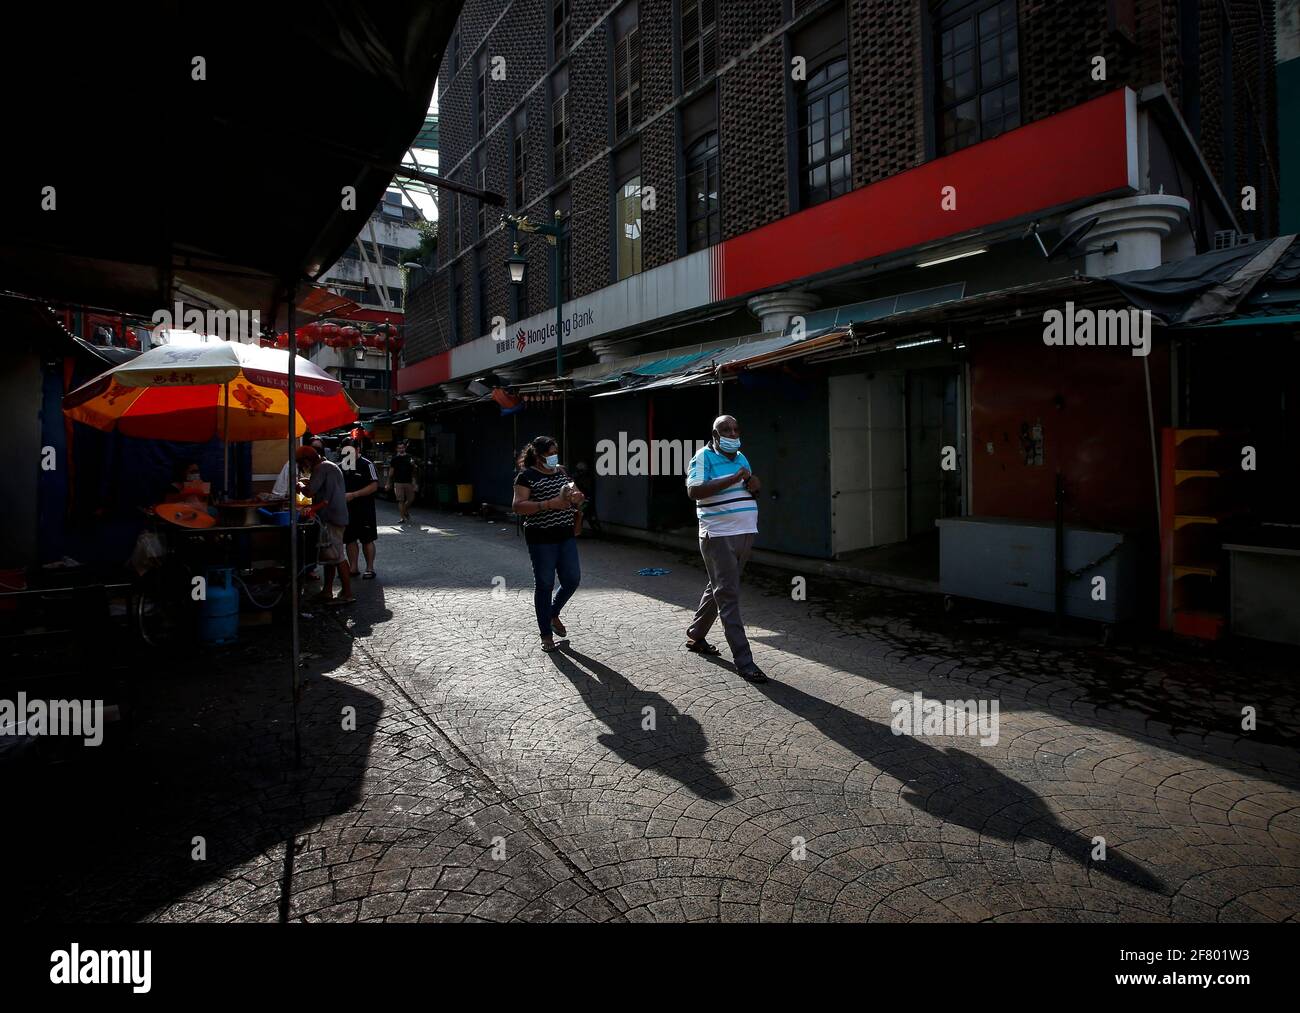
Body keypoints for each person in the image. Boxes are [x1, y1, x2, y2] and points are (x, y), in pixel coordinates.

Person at [684, 414, 766, 683]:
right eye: (725, 430)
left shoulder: (742, 457)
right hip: (718, 534)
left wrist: (755, 485)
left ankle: (696, 635)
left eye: (735, 429)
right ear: (715, 435)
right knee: (728, 594)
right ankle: (745, 661)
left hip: (744, 531)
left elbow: (750, 487)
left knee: (719, 585)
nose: (732, 434)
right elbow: (694, 491)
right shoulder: (702, 457)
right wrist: (733, 479)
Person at [512, 435, 585, 653]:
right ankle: (545, 634)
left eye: (555, 452)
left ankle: (552, 612)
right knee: (544, 584)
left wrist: (578, 496)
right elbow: (518, 506)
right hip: (541, 537)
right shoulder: (526, 477)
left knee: (572, 579)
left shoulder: (561, 471)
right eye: (550, 453)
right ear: (538, 455)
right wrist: (548, 504)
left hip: (565, 534)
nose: (554, 457)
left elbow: (575, 492)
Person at [296, 444, 353, 606]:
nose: (301, 467)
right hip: (335, 516)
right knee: (330, 555)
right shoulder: (328, 466)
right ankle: (327, 591)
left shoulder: (321, 468)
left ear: (307, 460)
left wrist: (299, 485)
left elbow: (310, 492)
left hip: (332, 517)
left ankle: (347, 593)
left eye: (301, 463)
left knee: (338, 556)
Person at [342, 438, 380, 579]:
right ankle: (353, 567)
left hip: (365, 508)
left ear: (358, 450)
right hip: (348, 509)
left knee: (367, 539)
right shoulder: (343, 466)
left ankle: (369, 568)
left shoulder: (366, 464)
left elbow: (374, 486)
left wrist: (354, 494)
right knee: (350, 539)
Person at [388, 440, 419, 523]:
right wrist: (388, 483)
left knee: (411, 499)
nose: (401, 449)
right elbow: (391, 472)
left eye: (402, 448)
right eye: (399, 448)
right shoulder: (394, 459)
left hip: (408, 481)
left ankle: (404, 510)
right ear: (397, 449)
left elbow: (414, 470)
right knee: (400, 500)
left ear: (405, 448)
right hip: (398, 482)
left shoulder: (410, 457)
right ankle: (402, 517)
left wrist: (415, 483)